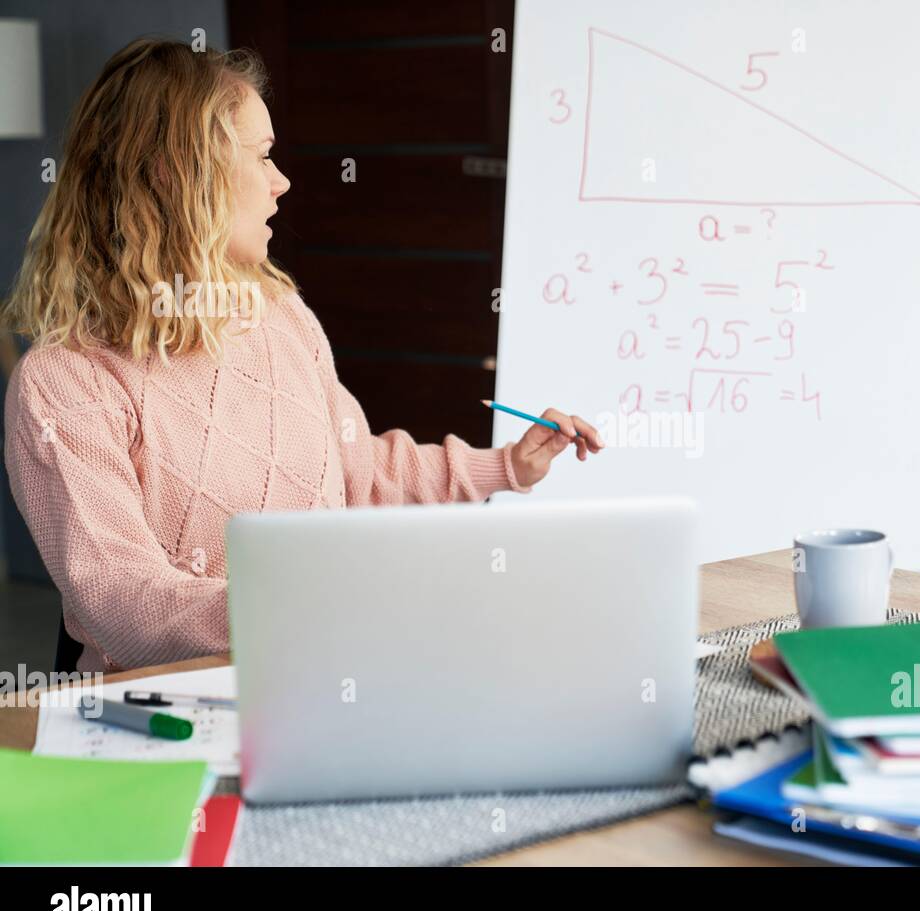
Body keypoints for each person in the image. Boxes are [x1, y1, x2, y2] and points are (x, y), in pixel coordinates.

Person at [1, 39, 601, 673]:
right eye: (261, 157)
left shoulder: (280, 317)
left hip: (321, 670)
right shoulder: (65, 382)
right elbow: (121, 601)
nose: (281, 182)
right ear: (174, 173)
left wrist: (505, 466)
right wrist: (314, 605)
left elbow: (358, 471)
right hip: (167, 715)